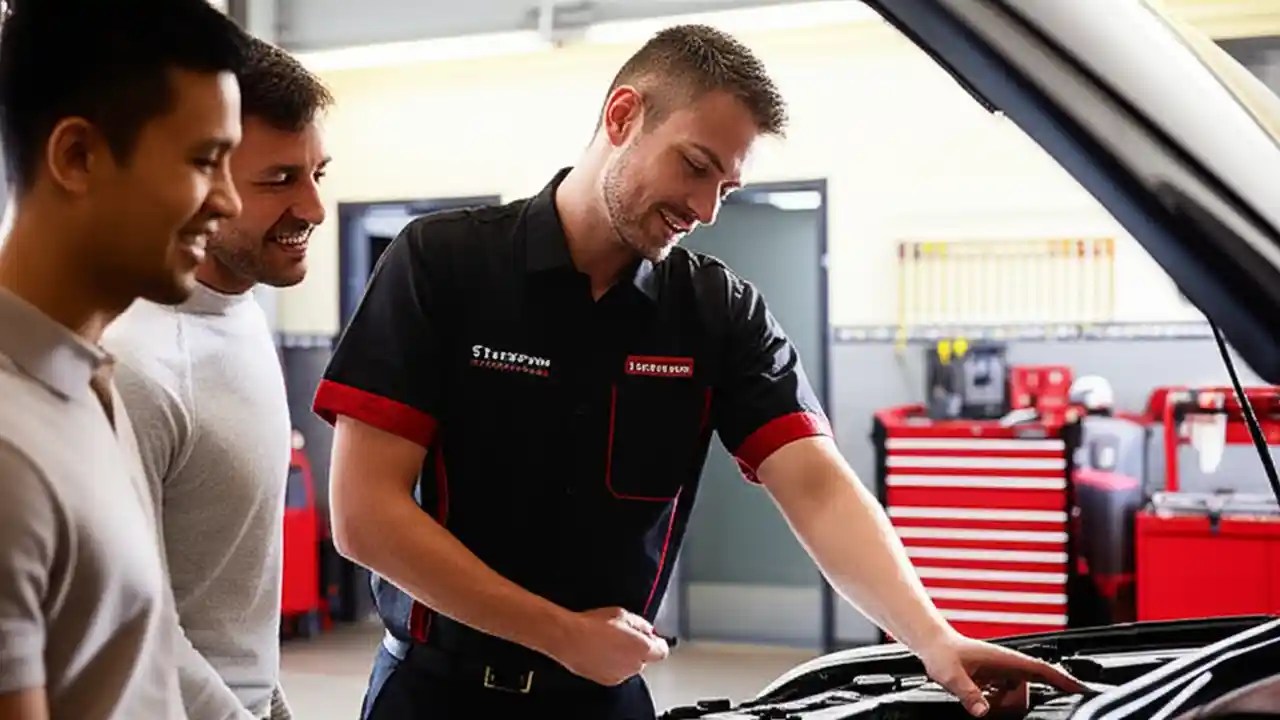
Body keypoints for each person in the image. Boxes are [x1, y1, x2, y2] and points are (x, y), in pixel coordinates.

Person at [312, 24, 1086, 720]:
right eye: (695, 166)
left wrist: (930, 635)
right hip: (435, 697)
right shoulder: (442, 263)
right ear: (622, 117)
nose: (706, 208)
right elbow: (364, 515)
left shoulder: (717, 312)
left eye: (727, 185)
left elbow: (816, 484)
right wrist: (559, 634)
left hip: (606, 703)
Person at [0, 1, 246, 718]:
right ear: (77, 156)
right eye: (205, 161)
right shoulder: (9, 447)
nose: (227, 202)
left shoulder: (88, 381)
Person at [103, 34, 333, 720]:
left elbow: (225, 605)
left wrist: (270, 700)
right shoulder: (133, 359)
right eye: (280, 179)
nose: (316, 208)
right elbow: (129, 623)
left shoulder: (237, 309)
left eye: (319, 172)